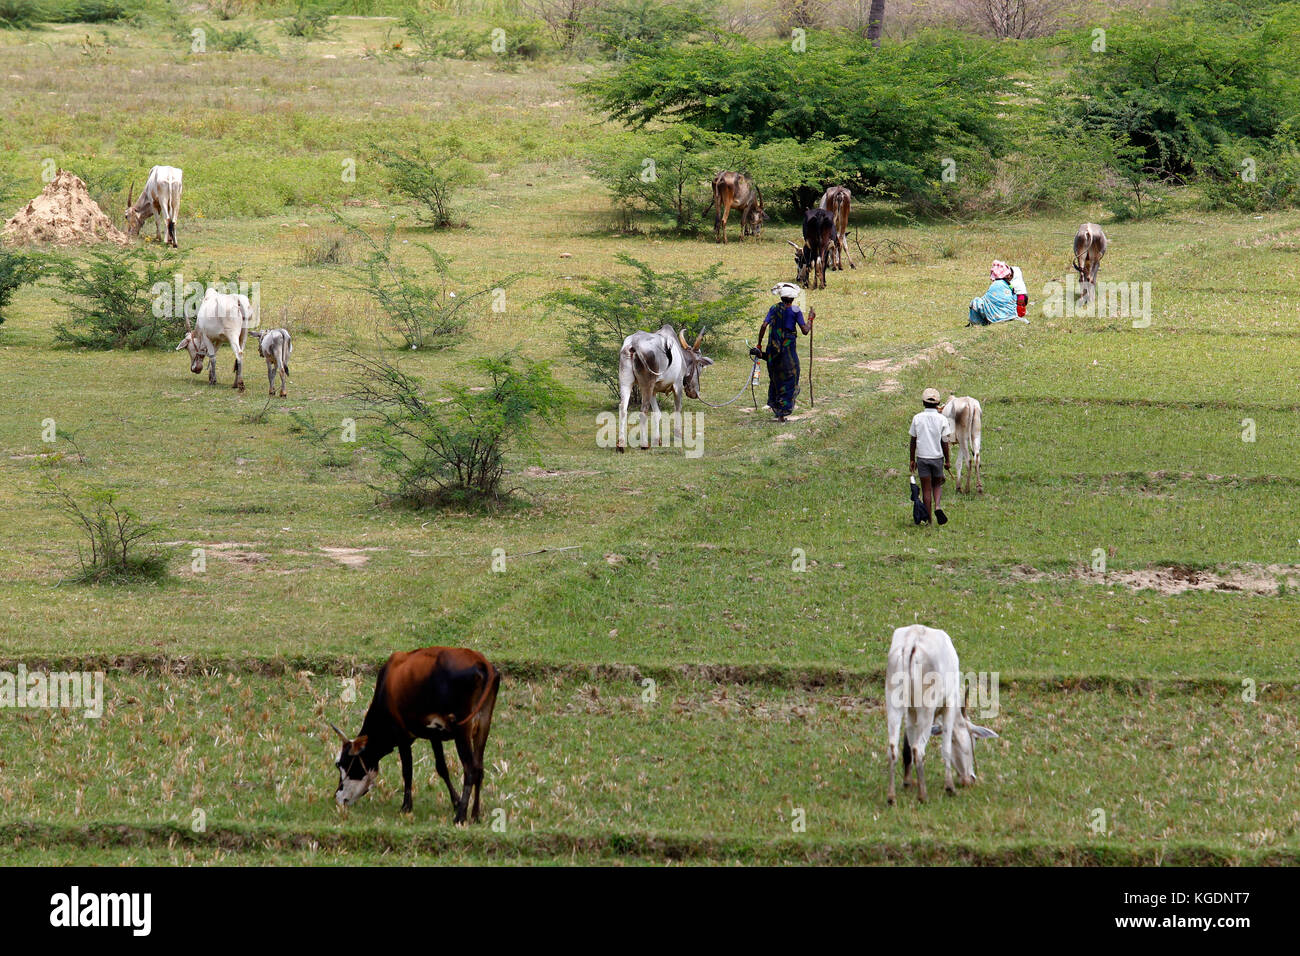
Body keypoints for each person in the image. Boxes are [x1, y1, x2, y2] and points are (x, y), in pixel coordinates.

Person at [753, 283, 814, 422]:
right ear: (792, 298)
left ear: (781, 297)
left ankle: (776, 407)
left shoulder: (774, 308)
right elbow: (805, 330)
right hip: (788, 352)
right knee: (790, 378)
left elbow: (764, 325)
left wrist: (759, 344)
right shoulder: (795, 310)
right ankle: (782, 413)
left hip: (773, 350)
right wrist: (810, 319)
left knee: (775, 378)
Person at [909, 387, 954, 525]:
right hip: (937, 458)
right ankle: (938, 506)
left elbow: (913, 441)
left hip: (922, 458)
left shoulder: (917, 418)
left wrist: (912, 459)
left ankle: (929, 521)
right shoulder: (941, 419)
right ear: (938, 404)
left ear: (923, 403)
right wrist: (947, 460)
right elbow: (945, 442)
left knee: (926, 490)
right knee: (937, 485)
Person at [968, 260, 1025, 325]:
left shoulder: (996, 284)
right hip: (1010, 314)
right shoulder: (1009, 285)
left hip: (996, 317)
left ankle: (977, 322)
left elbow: (986, 300)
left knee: (976, 302)